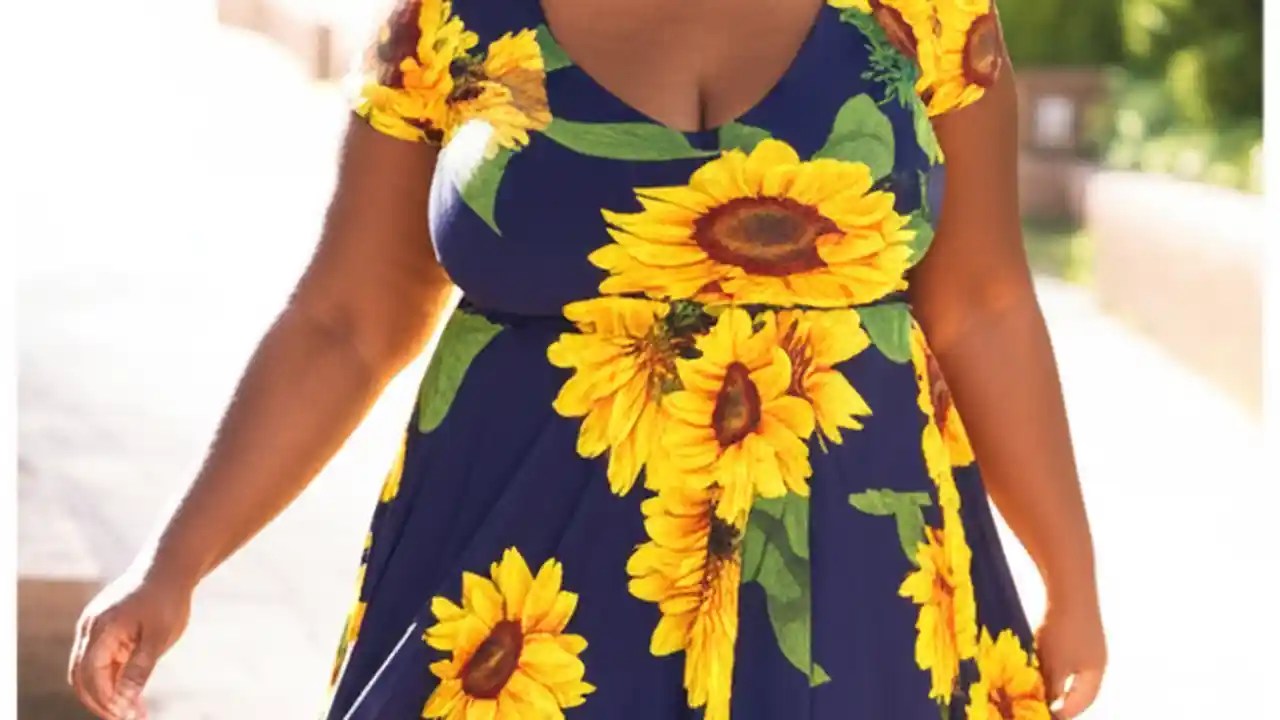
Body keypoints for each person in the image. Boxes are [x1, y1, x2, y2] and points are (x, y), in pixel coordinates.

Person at [68, 0, 1107, 717]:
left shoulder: (920, 15)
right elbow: (344, 321)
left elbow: (982, 307)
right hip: (517, 610)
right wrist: (175, 562)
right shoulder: (449, 18)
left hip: (855, 596)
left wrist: (1070, 578)